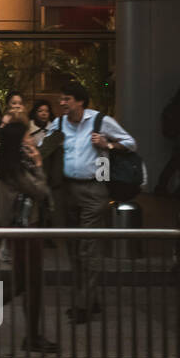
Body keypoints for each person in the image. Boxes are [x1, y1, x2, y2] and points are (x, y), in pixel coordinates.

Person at [44, 81, 137, 324]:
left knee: (88, 247)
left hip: (94, 189)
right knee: (75, 248)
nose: (62, 103)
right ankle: (89, 297)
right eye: (61, 99)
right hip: (66, 190)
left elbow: (130, 143)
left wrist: (107, 144)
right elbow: (44, 149)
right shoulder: (58, 123)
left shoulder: (100, 121)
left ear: (80, 101)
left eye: (67, 99)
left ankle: (82, 305)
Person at [0, 118, 59, 353]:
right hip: (25, 228)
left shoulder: (7, 161)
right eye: (28, 136)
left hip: (20, 228)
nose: (32, 139)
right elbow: (40, 190)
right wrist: (39, 164)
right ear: (20, 141)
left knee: (24, 282)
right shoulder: (17, 166)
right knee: (29, 282)